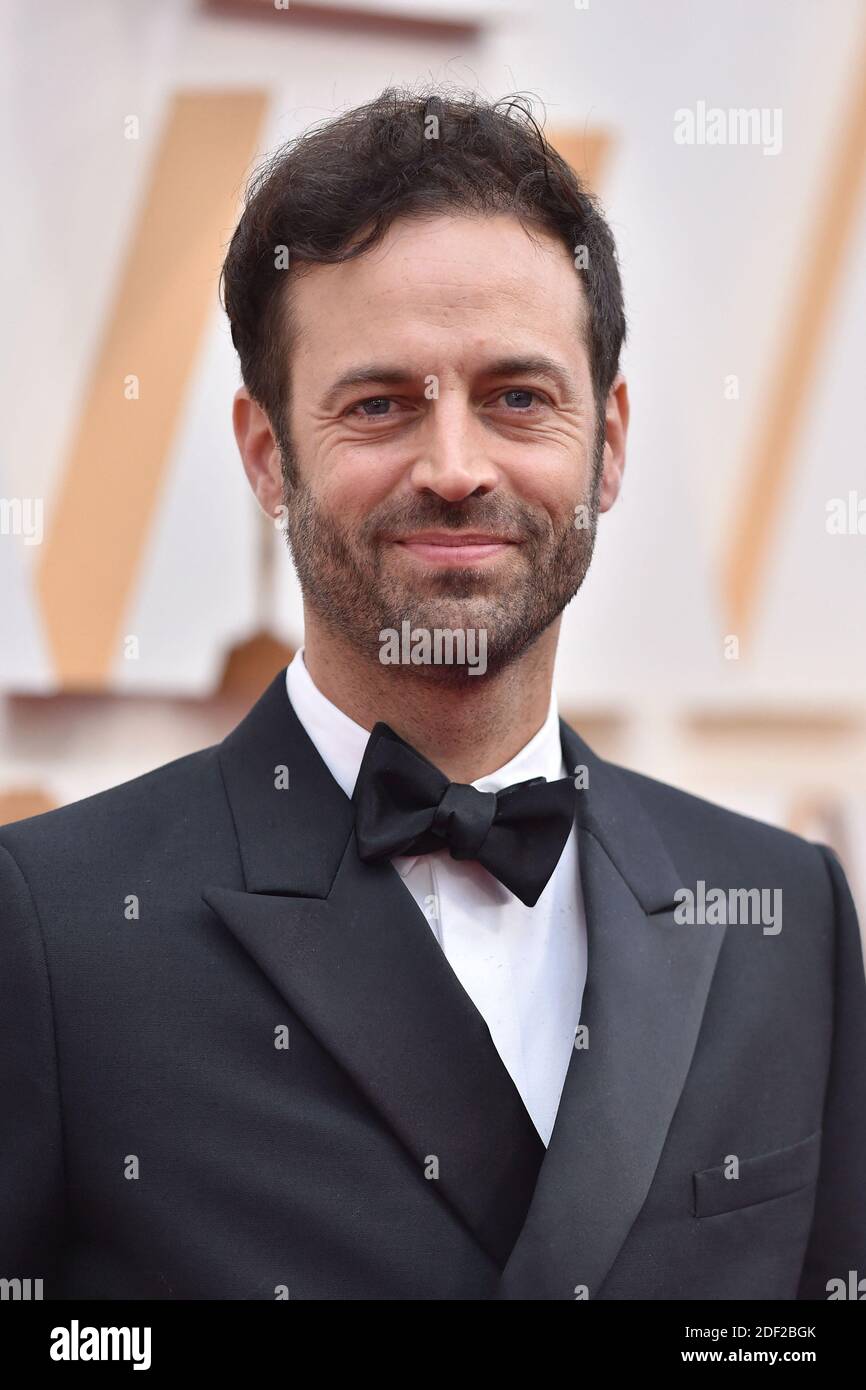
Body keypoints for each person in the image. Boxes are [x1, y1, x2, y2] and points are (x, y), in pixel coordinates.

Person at [1, 89, 864, 1301]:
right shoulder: (50, 928)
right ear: (267, 455)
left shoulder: (784, 916)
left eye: (517, 396)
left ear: (606, 444)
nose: (454, 469)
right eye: (379, 404)